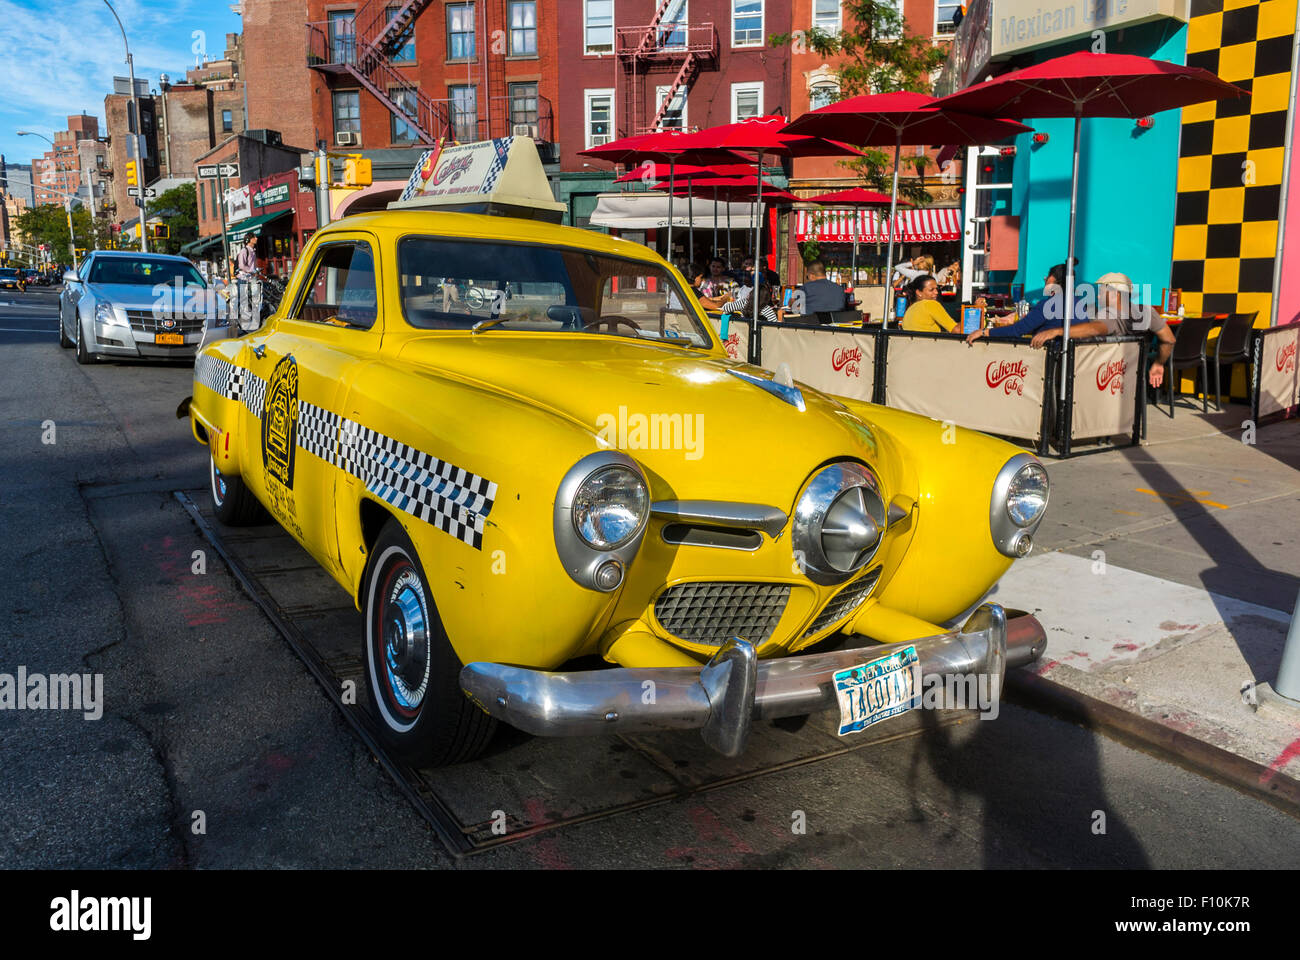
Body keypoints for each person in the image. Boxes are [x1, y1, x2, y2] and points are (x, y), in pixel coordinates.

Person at [966, 261, 1086, 345]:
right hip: (1077, 363)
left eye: (1048, 277)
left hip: (1050, 363)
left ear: (1054, 280)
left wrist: (984, 332)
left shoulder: (1048, 305)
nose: (1045, 280)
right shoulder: (1080, 305)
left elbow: (1017, 330)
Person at [235, 234, 263, 333]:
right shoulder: (244, 251)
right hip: (243, 278)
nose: (256, 238)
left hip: (251, 278)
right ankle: (238, 320)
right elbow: (241, 265)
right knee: (243, 300)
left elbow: (252, 266)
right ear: (248, 240)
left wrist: (256, 271)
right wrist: (252, 270)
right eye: (254, 237)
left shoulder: (253, 251)